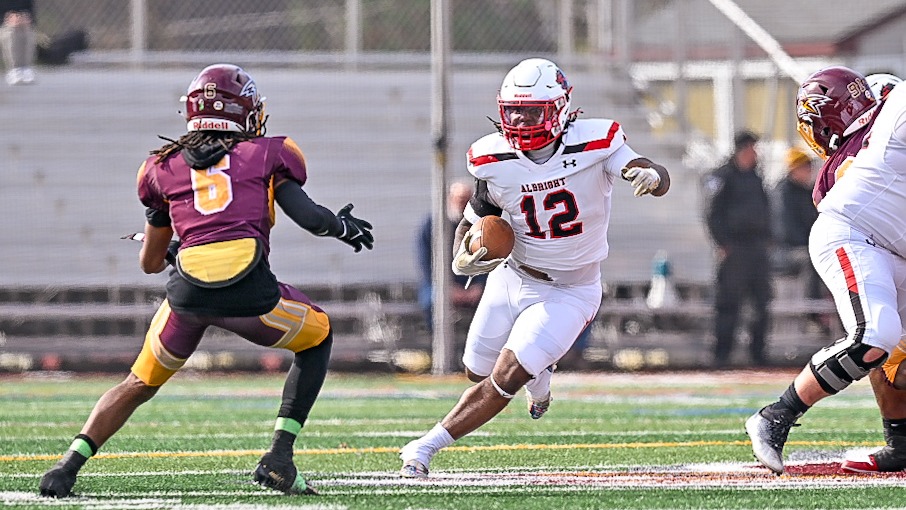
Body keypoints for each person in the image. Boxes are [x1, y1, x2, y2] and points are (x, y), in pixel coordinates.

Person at [37, 64, 374, 497]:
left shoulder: (161, 167)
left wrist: (179, 247)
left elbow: (150, 263)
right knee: (317, 335)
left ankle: (66, 468)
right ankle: (279, 456)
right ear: (247, 112)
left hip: (188, 295)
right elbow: (309, 218)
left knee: (138, 383)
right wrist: (343, 228)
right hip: (250, 294)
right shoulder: (269, 153)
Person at [398, 57, 670, 478]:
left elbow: (646, 168)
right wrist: (462, 253)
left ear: (560, 107)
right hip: (512, 276)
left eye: (532, 110)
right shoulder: (492, 158)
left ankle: (426, 446)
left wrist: (650, 176)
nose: (522, 121)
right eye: (514, 111)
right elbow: (476, 219)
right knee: (475, 370)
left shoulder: (598, 142)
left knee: (506, 375)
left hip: (570, 289)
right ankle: (540, 374)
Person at [745, 65, 906, 475]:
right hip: (855, 237)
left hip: (892, 247)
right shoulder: (891, 115)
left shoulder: (858, 146)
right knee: (875, 336)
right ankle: (775, 416)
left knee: (889, 354)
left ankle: (902, 442)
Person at [703, 130, 773, 367]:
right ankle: (721, 355)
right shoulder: (723, 176)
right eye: (751, 148)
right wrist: (722, 243)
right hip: (734, 248)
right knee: (728, 304)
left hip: (756, 248)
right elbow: (712, 213)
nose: (755, 154)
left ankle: (758, 355)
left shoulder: (755, 177)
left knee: (761, 303)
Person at [416, 181, 486, 332]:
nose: (463, 205)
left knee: (495, 303)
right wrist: (447, 287)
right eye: (459, 199)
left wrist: (479, 286)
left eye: (467, 200)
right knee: (431, 303)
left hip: (473, 284)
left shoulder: (483, 226)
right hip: (440, 283)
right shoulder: (431, 226)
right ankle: (435, 343)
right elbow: (425, 263)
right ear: (450, 199)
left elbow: (491, 260)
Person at [774, 147, 824, 304]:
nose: (809, 171)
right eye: (805, 167)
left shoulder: (806, 192)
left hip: (804, 245)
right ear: (794, 169)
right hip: (785, 250)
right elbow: (785, 229)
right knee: (811, 259)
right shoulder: (783, 193)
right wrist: (809, 244)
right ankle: (813, 310)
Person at [0, 0, 37, 85]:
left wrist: (26, 19)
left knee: (27, 31)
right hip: (4, 25)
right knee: (11, 32)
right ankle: (15, 69)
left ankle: (25, 68)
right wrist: (8, 19)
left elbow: (32, 13)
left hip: (22, 24)